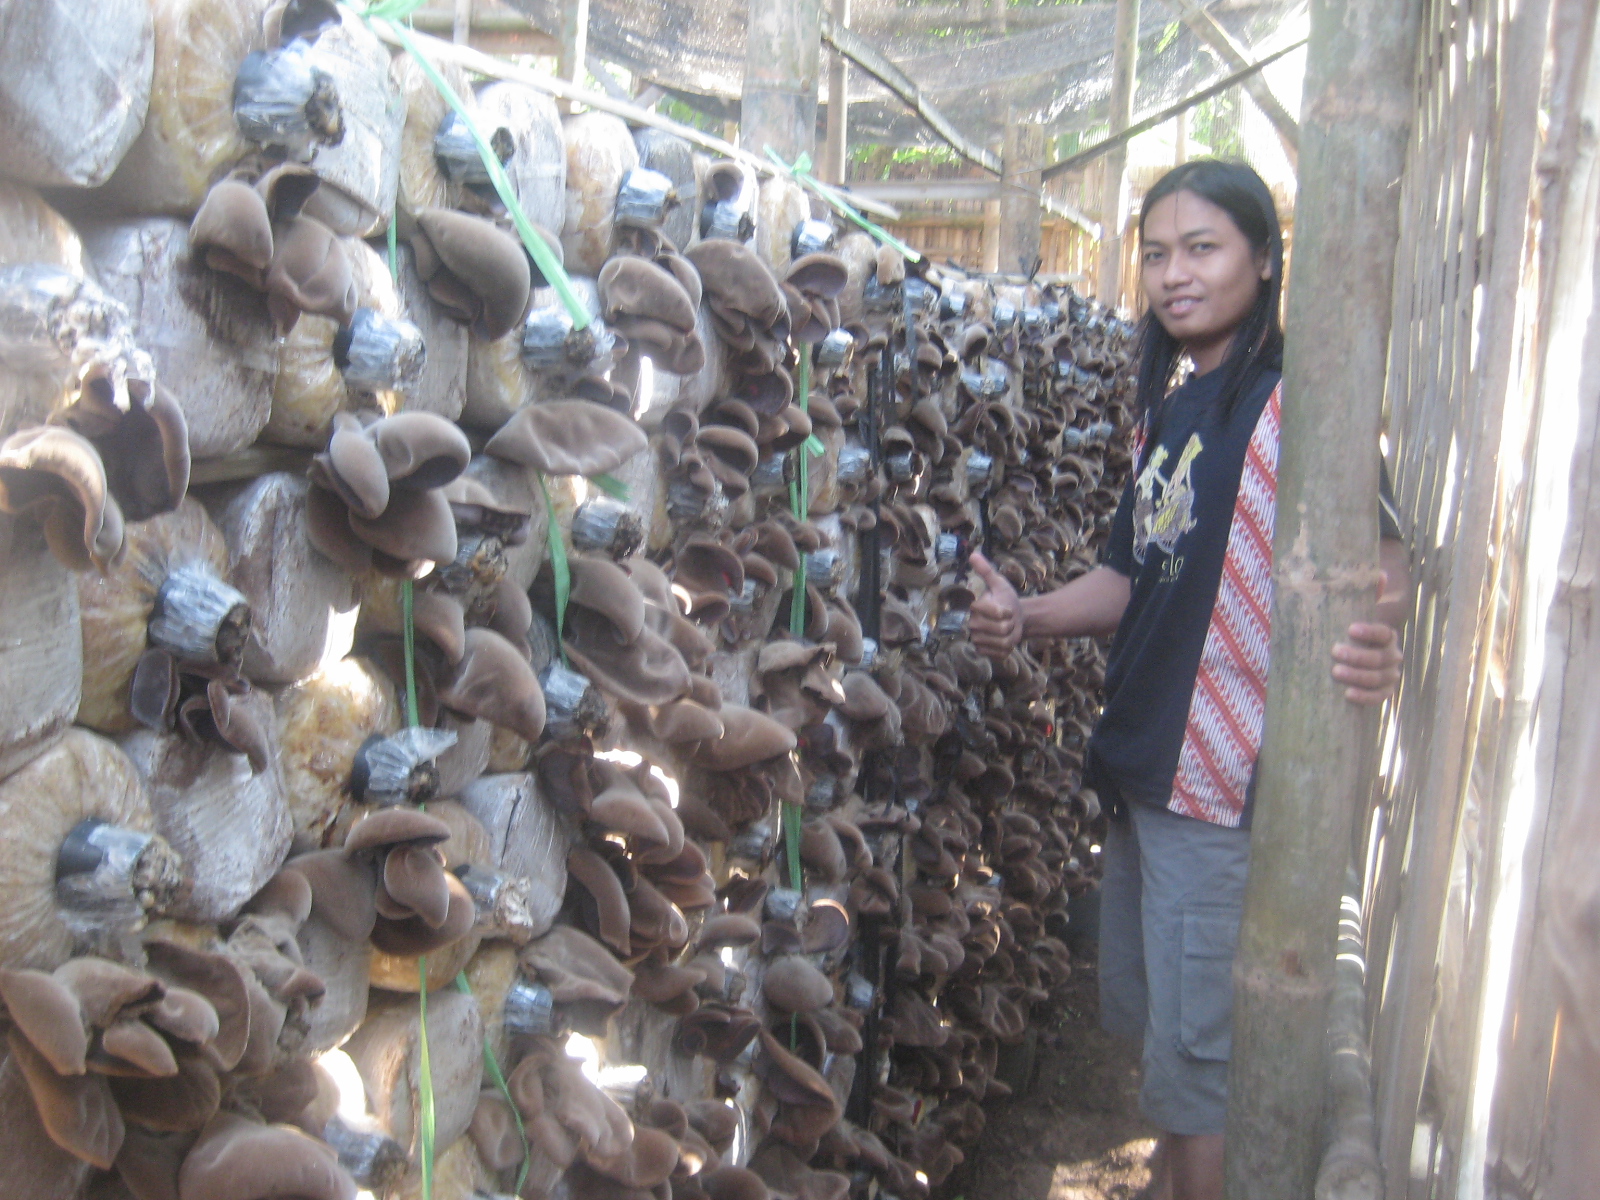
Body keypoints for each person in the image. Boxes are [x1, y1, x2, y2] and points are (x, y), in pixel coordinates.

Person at [966, 159, 1409, 1200]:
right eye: (1156, 254)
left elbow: (1383, 563)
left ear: (1264, 256)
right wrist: (1026, 615)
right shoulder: (1172, 412)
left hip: (1219, 788)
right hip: (1146, 779)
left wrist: (1373, 634)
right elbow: (1132, 574)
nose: (1174, 275)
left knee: (1201, 1069)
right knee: (1170, 1050)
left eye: (1202, 248)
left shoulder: (1294, 406)